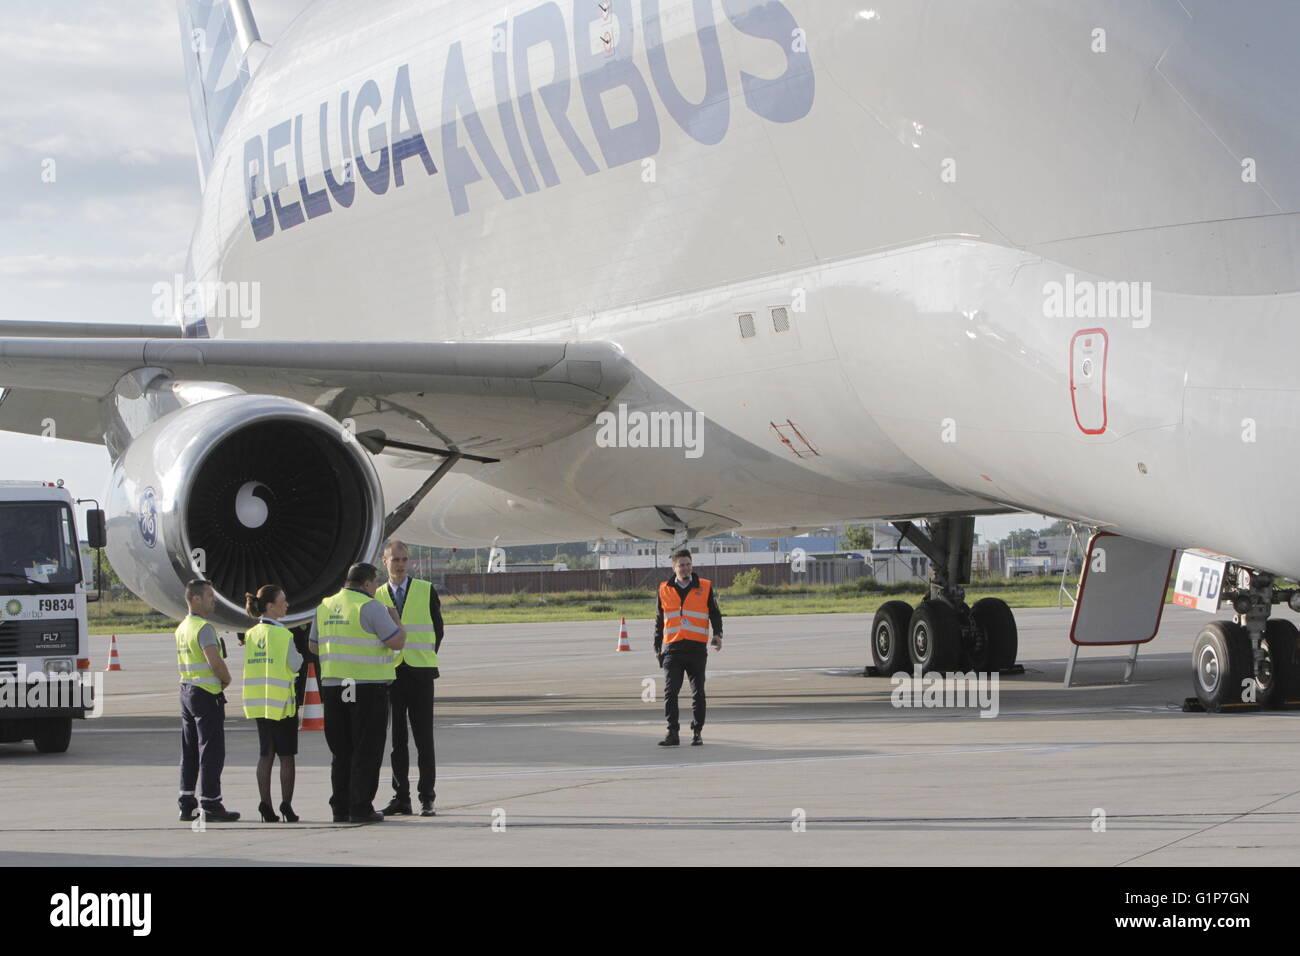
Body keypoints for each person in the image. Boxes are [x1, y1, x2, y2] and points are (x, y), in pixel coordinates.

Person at [309, 563, 406, 824]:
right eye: (375, 583)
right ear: (366, 584)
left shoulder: (324, 606)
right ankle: (360, 806)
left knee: (341, 750)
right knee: (367, 748)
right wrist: (395, 619)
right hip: (367, 687)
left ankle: (339, 806)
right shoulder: (371, 606)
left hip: (333, 686)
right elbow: (396, 641)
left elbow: (314, 646)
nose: (376, 588)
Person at [375, 540, 444, 818]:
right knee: (397, 740)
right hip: (392, 674)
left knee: (424, 738)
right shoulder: (377, 595)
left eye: (404, 559)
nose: (400, 564)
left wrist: (424, 656)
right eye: (395, 560)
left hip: (420, 673)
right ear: (385, 562)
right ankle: (400, 797)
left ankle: (427, 797)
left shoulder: (425, 590)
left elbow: (437, 630)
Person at [175, 579, 240, 821]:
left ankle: (187, 802)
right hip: (205, 692)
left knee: (190, 750)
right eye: (209, 596)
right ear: (195, 598)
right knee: (211, 751)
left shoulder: (183, 627)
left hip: (186, 691)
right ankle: (211, 803)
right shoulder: (204, 628)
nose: (213, 600)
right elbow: (214, 661)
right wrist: (226, 679)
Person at [242, 585, 302, 823]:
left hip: (260, 702)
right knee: (286, 757)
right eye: (283, 601)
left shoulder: (251, 634)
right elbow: (295, 664)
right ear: (270, 606)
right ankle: (286, 805)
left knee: (265, 755)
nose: (287, 604)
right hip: (282, 703)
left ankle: (265, 805)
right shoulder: (283, 635)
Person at [653, 549, 723, 747]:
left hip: (696, 649)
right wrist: (657, 645)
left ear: (692, 565)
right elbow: (660, 619)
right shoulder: (664, 588)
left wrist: (718, 634)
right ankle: (672, 732)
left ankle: (697, 731)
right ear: (674, 567)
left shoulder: (705, 587)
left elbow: (715, 614)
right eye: (681, 565)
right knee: (670, 692)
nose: (685, 568)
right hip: (673, 649)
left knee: (698, 692)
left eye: (688, 564)